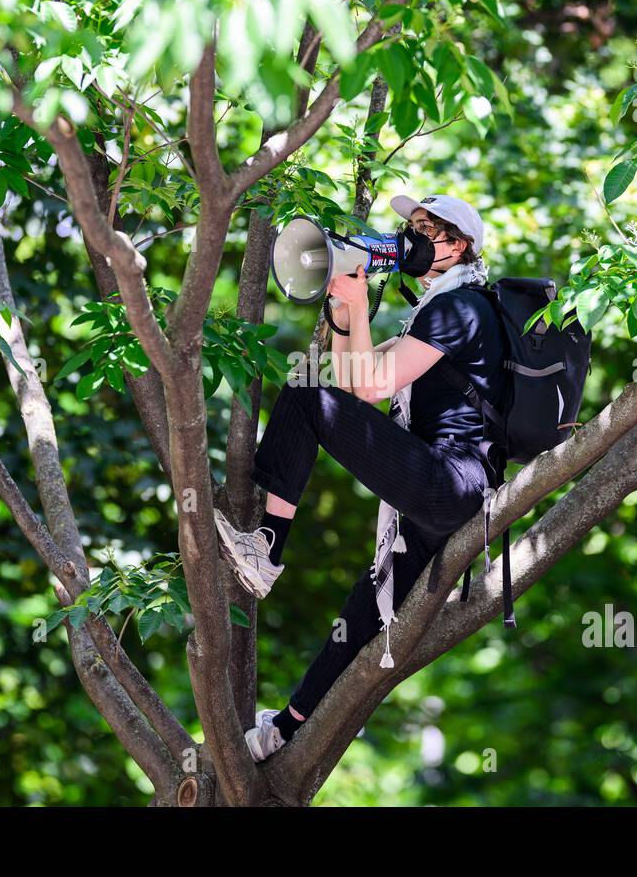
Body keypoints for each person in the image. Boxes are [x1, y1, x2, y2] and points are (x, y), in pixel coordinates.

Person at [213, 193, 507, 762]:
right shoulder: (440, 311)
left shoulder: (463, 308)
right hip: (442, 488)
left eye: (428, 229)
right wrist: (349, 312)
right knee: (367, 608)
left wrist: (355, 300)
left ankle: (267, 549)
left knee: (303, 389)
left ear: (459, 246)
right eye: (411, 227)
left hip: (452, 478)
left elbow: (369, 387)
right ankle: (289, 728)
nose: (413, 238)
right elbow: (354, 382)